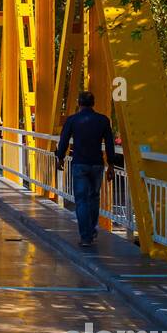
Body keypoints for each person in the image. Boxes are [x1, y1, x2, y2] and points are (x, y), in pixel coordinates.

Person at [55, 90, 116, 247]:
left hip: (80, 164)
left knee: (81, 200)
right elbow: (110, 144)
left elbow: (64, 141)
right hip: (97, 164)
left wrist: (60, 157)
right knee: (94, 197)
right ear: (93, 103)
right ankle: (92, 229)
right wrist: (111, 165)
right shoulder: (103, 120)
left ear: (79, 103)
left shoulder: (73, 120)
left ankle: (85, 237)